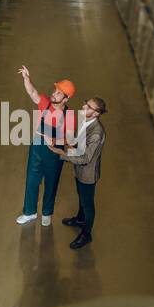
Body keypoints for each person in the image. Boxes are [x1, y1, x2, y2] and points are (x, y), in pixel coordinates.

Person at [16, 66, 75, 226]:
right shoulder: (45, 104)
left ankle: (47, 213)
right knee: (32, 181)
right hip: (36, 149)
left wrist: (54, 141)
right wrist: (27, 79)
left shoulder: (69, 116)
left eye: (58, 93)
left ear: (65, 99)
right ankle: (30, 212)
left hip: (54, 154)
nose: (53, 94)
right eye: (54, 91)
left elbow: (69, 140)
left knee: (51, 183)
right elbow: (32, 93)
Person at [50, 96, 106, 249]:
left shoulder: (97, 133)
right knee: (80, 196)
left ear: (96, 114)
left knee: (87, 204)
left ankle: (86, 234)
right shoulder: (84, 119)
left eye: (89, 107)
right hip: (79, 170)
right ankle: (80, 219)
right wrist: (64, 141)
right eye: (85, 103)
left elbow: (86, 158)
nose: (84, 107)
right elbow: (79, 141)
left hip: (87, 174)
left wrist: (60, 153)